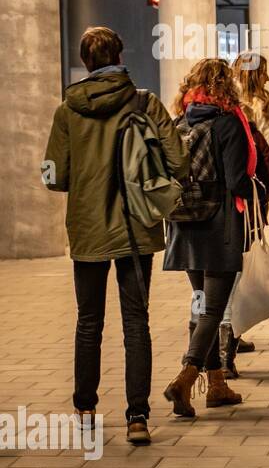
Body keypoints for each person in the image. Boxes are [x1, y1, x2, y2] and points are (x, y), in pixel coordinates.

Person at [42, 27, 188, 445]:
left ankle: (86, 410)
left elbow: (56, 176)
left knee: (88, 322)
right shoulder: (144, 102)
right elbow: (179, 162)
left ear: (85, 61)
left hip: (88, 230)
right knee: (135, 323)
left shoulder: (67, 110)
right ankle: (137, 418)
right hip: (136, 227)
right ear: (120, 54)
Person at [162, 58, 257, 418]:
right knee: (213, 310)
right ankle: (185, 378)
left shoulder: (179, 121)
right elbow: (236, 180)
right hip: (218, 227)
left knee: (201, 302)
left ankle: (216, 384)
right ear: (226, 85)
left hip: (184, 225)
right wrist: (254, 188)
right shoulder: (229, 121)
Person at [219, 51, 269, 375]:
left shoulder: (226, 106)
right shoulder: (262, 107)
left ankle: (233, 331)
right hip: (250, 197)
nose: (268, 78)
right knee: (243, 266)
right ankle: (227, 347)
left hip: (221, 200)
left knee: (228, 270)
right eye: (264, 72)